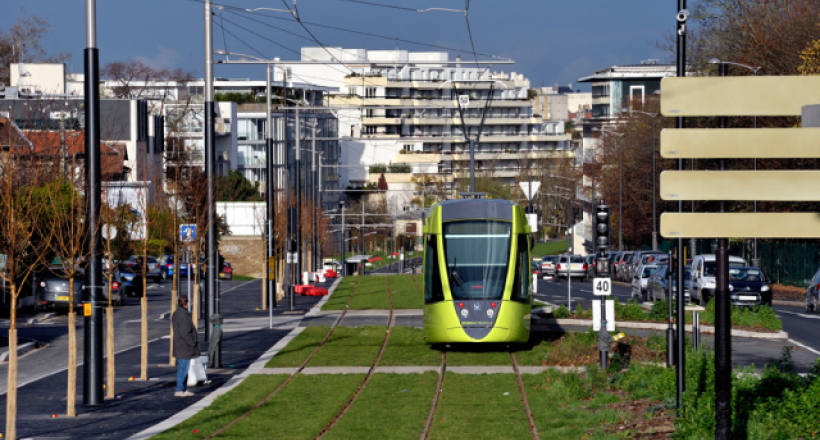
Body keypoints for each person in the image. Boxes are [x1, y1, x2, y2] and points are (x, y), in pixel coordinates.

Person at [172, 295, 200, 397]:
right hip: (184, 346)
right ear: (187, 303)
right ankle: (179, 389)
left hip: (180, 344)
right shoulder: (183, 315)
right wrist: (192, 343)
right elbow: (185, 332)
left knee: (184, 368)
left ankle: (183, 389)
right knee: (183, 368)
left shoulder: (177, 313)